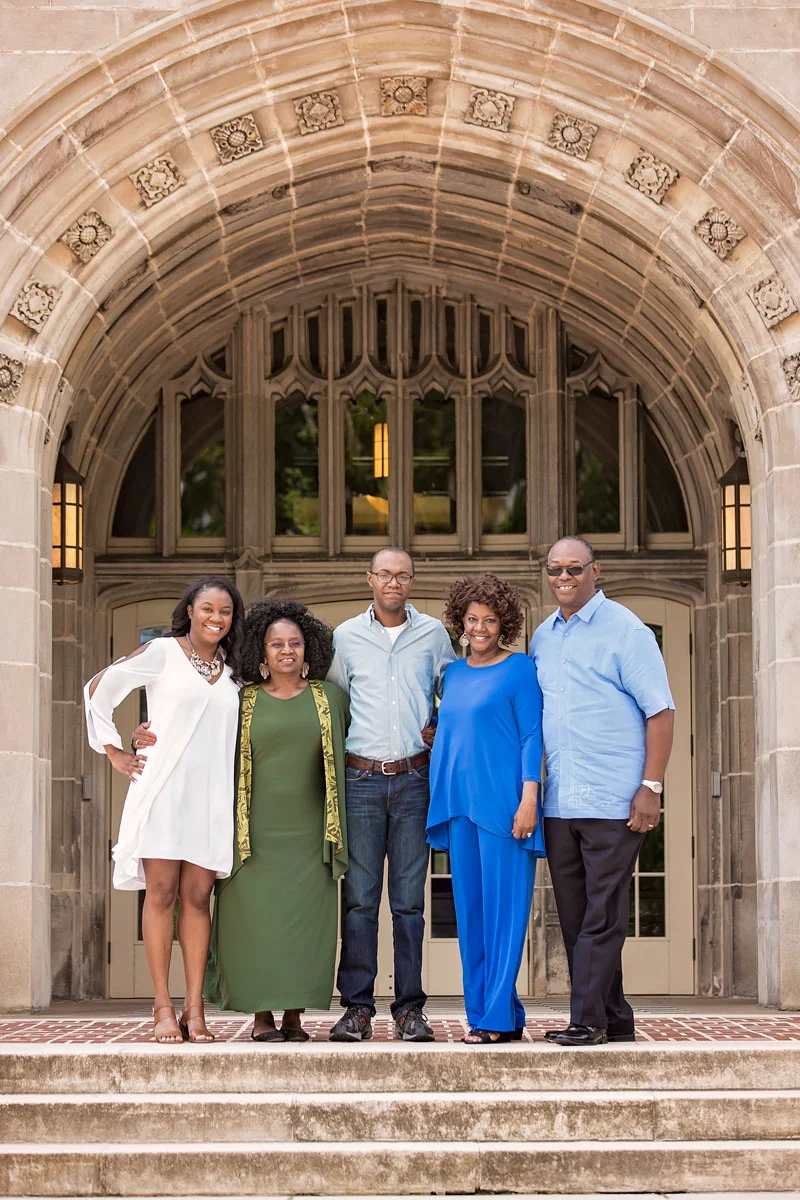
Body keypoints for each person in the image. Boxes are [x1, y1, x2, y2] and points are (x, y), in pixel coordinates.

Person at [84, 576, 245, 1044]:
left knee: (197, 898)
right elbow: (98, 687)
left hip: (211, 795)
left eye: (226, 611)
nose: (216, 618)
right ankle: (162, 1006)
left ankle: (195, 1008)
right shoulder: (161, 652)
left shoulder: (233, 671)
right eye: (208, 609)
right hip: (164, 789)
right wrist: (115, 750)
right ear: (190, 611)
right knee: (161, 892)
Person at [530, 536, 675, 1047]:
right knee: (574, 916)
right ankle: (615, 1016)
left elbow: (660, 712)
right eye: (554, 569)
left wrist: (650, 787)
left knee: (602, 914)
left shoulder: (627, 630)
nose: (563, 578)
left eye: (574, 568)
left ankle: (586, 1020)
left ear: (596, 571)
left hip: (615, 799)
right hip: (561, 800)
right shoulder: (543, 636)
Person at [202, 600, 349, 1042]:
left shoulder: (331, 699)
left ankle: (294, 1016)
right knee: (254, 925)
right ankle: (262, 1014)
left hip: (310, 832)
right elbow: (201, 746)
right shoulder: (239, 700)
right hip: (252, 833)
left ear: (309, 650)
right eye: (276, 644)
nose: (287, 651)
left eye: (295, 643)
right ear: (261, 652)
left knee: (305, 927)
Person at [326, 547, 456, 1042]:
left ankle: (408, 1009)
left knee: (408, 903)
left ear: (412, 581)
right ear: (370, 579)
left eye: (402, 575)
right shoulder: (346, 637)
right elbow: (335, 704)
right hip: (360, 780)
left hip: (413, 781)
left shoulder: (433, 636)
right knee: (358, 900)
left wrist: (439, 724)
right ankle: (357, 1008)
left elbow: (455, 689)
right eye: (385, 574)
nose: (393, 583)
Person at [427, 574, 544, 1045]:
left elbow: (531, 736)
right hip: (459, 808)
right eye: (472, 619)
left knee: (504, 917)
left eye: (490, 620)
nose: (479, 628)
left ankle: (494, 1018)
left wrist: (530, 798)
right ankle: (494, 1014)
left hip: (504, 808)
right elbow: (452, 726)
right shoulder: (452, 674)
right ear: (460, 622)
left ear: (505, 625)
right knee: (472, 917)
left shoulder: (520, 670)